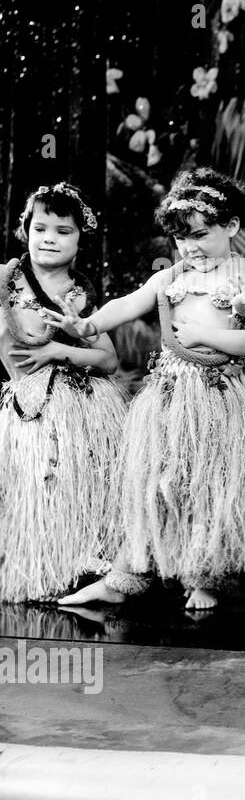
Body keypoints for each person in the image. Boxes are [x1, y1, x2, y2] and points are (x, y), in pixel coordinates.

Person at [50, 168, 245, 611]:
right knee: (152, 482)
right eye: (181, 239)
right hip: (169, 395)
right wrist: (88, 324)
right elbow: (128, 304)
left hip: (220, 395)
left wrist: (210, 338)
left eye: (201, 235)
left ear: (231, 226)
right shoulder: (170, 277)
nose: (191, 248)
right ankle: (127, 573)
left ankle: (205, 574)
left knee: (211, 485)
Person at [0, 183, 127, 601]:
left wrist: (60, 348)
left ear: (79, 240)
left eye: (63, 230)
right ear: (25, 230)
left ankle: (77, 567)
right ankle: (36, 571)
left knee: (74, 488)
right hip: (28, 406)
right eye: (41, 228)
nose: (50, 238)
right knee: (33, 489)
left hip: (81, 405)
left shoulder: (81, 296)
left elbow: (108, 360)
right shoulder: (6, 282)